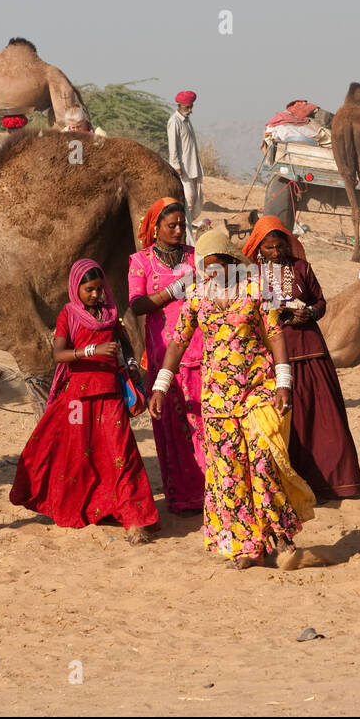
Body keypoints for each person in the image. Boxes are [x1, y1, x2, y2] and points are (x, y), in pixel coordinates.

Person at [150, 229, 315, 569]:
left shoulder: (257, 291)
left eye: (216, 267)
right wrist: (160, 386)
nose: (210, 274)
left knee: (264, 464)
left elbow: (275, 337)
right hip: (217, 401)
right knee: (229, 472)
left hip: (257, 391)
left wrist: (284, 382)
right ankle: (246, 547)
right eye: (205, 268)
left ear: (231, 263)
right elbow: (178, 344)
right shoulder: (196, 296)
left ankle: (281, 535)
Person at [10, 260, 159, 544]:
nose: (94, 295)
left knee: (122, 456)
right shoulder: (69, 314)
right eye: (88, 289)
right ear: (75, 287)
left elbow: (124, 342)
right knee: (80, 456)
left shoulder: (110, 313)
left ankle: (135, 523)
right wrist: (93, 349)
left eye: (99, 289)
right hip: (78, 398)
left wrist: (129, 364)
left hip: (110, 394)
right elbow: (59, 354)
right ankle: (86, 507)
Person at [244, 215, 360, 500]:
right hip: (273, 353)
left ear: (288, 243)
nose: (275, 252)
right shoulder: (250, 275)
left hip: (310, 349)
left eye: (280, 246)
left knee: (322, 415)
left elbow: (320, 301)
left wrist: (308, 313)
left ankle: (333, 482)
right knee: (286, 420)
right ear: (258, 248)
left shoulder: (301, 268)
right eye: (269, 248)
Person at [128, 198, 205, 514]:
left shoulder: (195, 257)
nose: (178, 230)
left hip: (200, 348)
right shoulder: (140, 261)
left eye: (181, 225)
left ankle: (212, 493)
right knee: (173, 423)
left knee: (202, 421)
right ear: (155, 227)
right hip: (163, 353)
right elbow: (137, 305)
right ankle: (184, 496)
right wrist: (174, 291)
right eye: (171, 225)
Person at [167, 90, 204, 224]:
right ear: (180, 106)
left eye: (191, 107)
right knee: (188, 198)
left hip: (193, 166)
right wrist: (176, 165)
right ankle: (184, 226)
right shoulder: (174, 121)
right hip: (182, 168)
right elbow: (173, 146)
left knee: (194, 199)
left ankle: (188, 224)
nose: (189, 110)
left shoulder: (187, 121)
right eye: (187, 107)